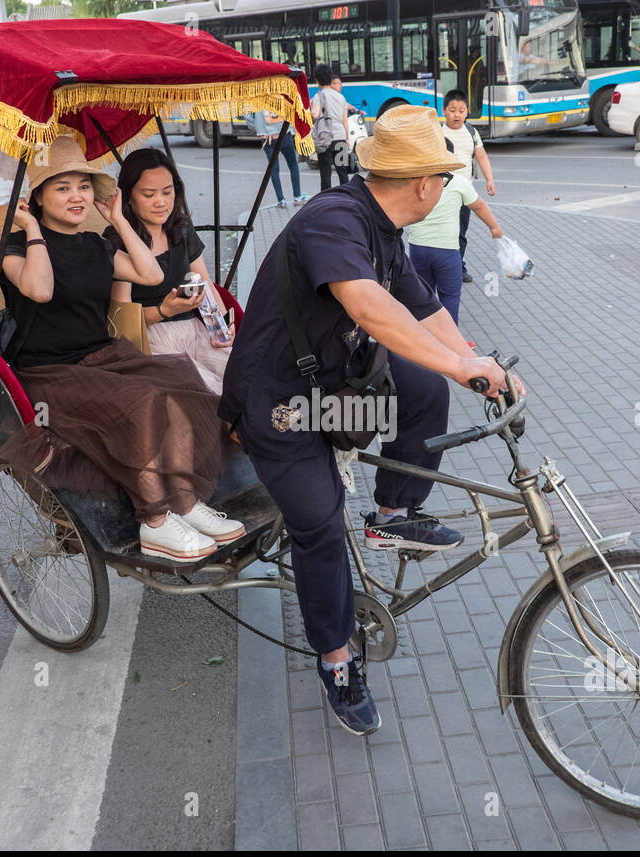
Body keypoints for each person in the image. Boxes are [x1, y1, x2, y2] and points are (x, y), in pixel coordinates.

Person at [217, 106, 518, 736]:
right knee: (320, 527)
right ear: (423, 185)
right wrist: (464, 368)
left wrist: (477, 365)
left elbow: (425, 309)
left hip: (336, 392)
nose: (445, 187)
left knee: (423, 387)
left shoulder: (385, 230)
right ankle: (335, 659)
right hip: (282, 406)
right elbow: (371, 307)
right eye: (443, 175)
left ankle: (391, 516)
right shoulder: (335, 220)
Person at [0, 136, 244, 562]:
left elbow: (148, 273)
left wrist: (117, 217)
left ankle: (184, 502)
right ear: (36, 198)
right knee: (143, 401)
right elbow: (39, 289)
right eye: (62, 188)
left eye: (84, 186)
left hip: (104, 356)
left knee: (182, 381)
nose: (77, 196)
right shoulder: (17, 248)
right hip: (50, 370)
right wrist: (33, 229)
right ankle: (155, 522)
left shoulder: (97, 244)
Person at [104, 147, 232, 396]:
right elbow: (121, 320)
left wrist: (222, 323)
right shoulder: (117, 240)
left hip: (195, 329)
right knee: (207, 390)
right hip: (150, 338)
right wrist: (164, 311)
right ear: (128, 197)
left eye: (167, 191)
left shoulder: (181, 229)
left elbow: (204, 281)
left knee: (243, 373)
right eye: (149, 194)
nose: (161, 202)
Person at [407, 139, 504, 324]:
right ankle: (450, 344)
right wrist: (494, 227)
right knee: (449, 296)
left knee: (421, 298)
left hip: (418, 248)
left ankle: (423, 340)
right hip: (446, 251)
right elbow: (479, 207)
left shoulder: (416, 181)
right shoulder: (459, 182)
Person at [440, 88, 495, 285]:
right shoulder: (438, 132)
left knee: (461, 232)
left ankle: (458, 267)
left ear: (467, 111)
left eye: (461, 110)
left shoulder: (471, 131)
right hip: (442, 194)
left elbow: (481, 156)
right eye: (452, 110)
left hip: (465, 193)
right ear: (444, 110)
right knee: (445, 232)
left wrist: (489, 179)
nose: (457, 114)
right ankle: (445, 266)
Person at [246, 108, 307, 209]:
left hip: (267, 138)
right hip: (283, 134)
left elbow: (247, 114)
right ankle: (297, 196)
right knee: (293, 165)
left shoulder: (256, 95)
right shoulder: (279, 93)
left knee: (273, 169)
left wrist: (257, 127)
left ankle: (281, 200)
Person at [311, 64, 351, 191]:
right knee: (342, 171)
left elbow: (315, 114)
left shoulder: (319, 95)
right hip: (340, 138)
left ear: (317, 80)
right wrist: (347, 138)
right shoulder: (341, 97)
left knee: (325, 172)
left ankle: (326, 200)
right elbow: (344, 119)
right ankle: (347, 198)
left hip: (325, 140)